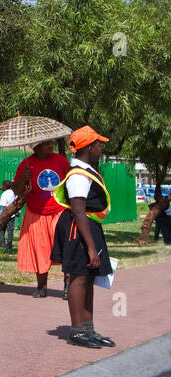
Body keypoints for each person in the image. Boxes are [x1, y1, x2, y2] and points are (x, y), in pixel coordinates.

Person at [50, 126, 115, 348]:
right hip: (79, 229)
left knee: (89, 277)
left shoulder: (87, 169)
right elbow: (78, 210)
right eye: (98, 145)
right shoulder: (77, 174)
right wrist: (89, 247)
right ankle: (77, 331)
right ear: (88, 147)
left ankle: (88, 329)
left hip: (89, 227)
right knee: (79, 276)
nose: (100, 149)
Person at [10, 139, 70, 297]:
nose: (51, 146)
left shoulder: (61, 161)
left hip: (60, 212)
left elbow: (71, 183)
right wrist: (23, 178)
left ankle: (68, 286)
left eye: (51, 143)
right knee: (40, 250)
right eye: (46, 144)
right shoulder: (26, 164)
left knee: (66, 249)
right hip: (36, 214)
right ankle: (41, 286)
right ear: (35, 147)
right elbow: (16, 191)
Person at [0, 182, 19, 250]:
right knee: (10, 230)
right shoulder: (14, 193)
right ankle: (9, 244)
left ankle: (2, 243)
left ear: (5, 186)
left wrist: (3, 215)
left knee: (1, 229)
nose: (2, 187)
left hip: (4, 214)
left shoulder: (4, 194)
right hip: (12, 214)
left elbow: (3, 205)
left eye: (2, 185)